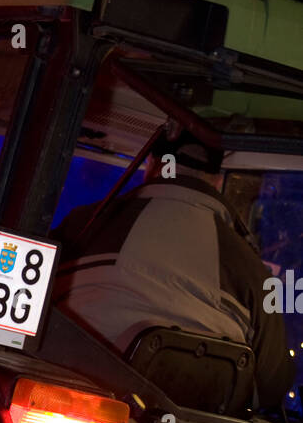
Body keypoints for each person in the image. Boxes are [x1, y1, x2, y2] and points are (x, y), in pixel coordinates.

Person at [52, 126, 294, 408]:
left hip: (70, 404)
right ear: (217, 181)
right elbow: (273, 384)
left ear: (151, 166)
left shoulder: (82, 225)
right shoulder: (251, 269)